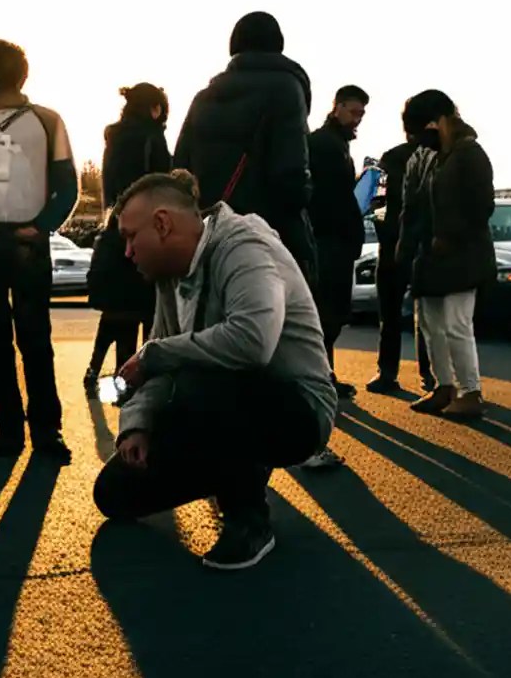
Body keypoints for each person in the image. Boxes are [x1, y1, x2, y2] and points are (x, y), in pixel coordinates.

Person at [92, 170, 337, 571]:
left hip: (299, 408)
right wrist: (136, 426)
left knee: (195, 384)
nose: (128, 252)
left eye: (132, 237)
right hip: (222, 405)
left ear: (163, 223)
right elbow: (158, 360)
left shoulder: (245, 247)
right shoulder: (168, 278)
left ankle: (249, 521)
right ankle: (235, 466)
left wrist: (154, 355)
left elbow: (252, 341)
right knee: (115, 493)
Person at [0, 39, 78, 464]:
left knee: (35, 339)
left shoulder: (46, 121)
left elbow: (67, 186)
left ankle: (47, 432)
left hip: (27, 246)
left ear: (3, 72)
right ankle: (7, 430)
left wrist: (40, 228)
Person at [172, 11, 318, 289]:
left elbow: (180, 168)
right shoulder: (286, 88)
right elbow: (291, 174)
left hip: (212, 235)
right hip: (269, 235)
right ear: (278, 44)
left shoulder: (204, 97)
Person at [396, 90, 495, 418]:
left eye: (422, 132)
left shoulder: (470, 155)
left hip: (461, 256)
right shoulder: (434, 157)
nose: (420, 141)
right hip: (431, 257)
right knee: (430, 323)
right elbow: (415, 206)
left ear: (438, 122)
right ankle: (444, 387)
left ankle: (471, 391)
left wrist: (449, 237)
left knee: (456, 323)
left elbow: (483, 207)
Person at [84, 83, 171, 390]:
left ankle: (99, 370)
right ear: (155, 108)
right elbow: (164, 185)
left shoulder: (114, 139)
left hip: (115, 230)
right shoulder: (152, 137)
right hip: (146, 231)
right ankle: (138, 380)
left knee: (117, 312)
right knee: (148, 310)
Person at [366, 102, 436, 395]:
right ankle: (431, 376)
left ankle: (387, 373)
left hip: (393, 245)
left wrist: (387, 237)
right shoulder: (439, 157)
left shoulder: (391, 158)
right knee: (430, 316)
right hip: (427, 246)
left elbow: (378, 204)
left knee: (390, 315)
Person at [307, 85, 369, 396]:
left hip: (334, 238)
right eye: (354, 112)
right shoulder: (325, 144)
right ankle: (321, 376)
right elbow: (332, 198)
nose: (357, 119)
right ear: (338, 107)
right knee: (326, 313)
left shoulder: (334, 144)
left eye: (361, 114)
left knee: (329, 314)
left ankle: (324, 374)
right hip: (328, 238)